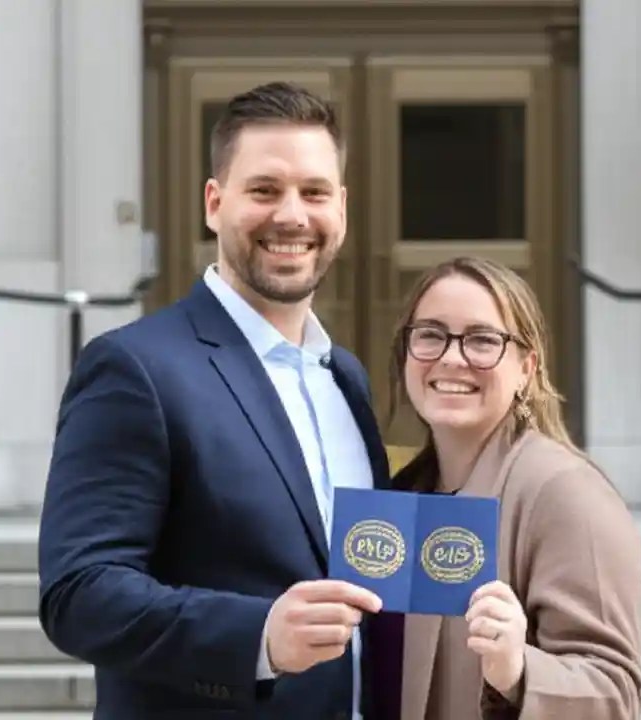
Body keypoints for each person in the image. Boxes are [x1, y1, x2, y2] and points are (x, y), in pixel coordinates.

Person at [37, 81, 392, 719]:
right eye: (264, 190)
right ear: (214, 201)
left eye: (313, 193)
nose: (292, 216)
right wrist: (258, 637)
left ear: (340, 209)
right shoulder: (135, 368)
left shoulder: (346, 378)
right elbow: (79, 594)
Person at [376, 256, 641, 719]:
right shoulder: (399, 496)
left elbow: (615, 693)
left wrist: (518, 670)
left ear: (526, 366)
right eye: (430, 335)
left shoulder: (568, 494)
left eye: (483, 340)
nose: (451, 357)